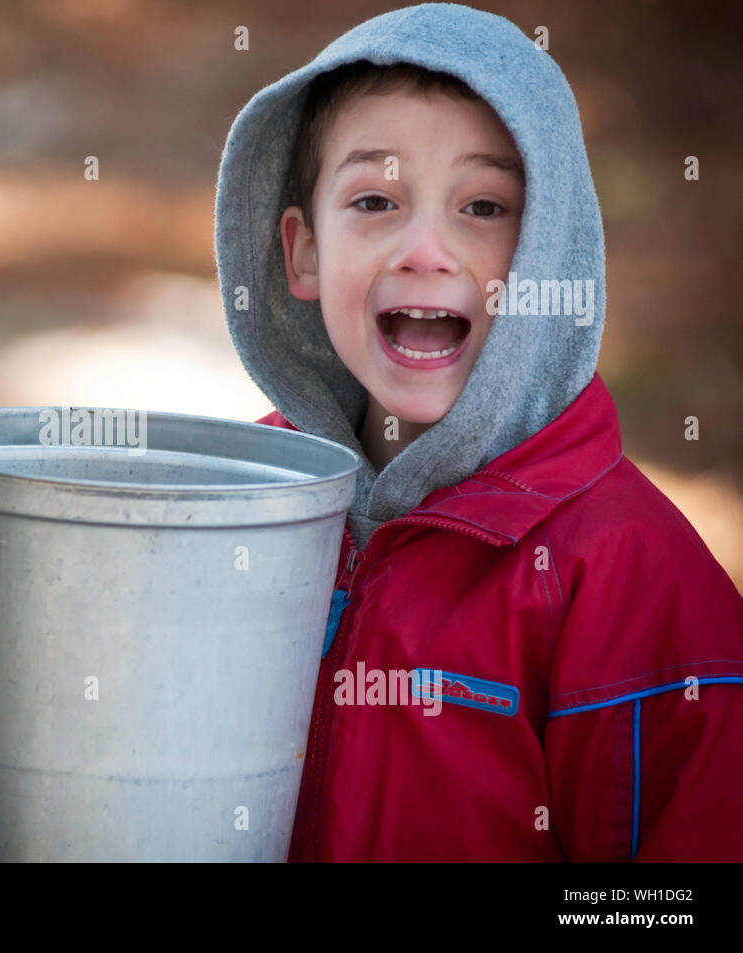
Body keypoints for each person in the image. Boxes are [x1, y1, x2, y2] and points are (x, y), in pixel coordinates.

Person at [214, 2, 743, 860]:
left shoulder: (632, 575)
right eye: (377, 199)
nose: (427, 249)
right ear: (302, 252)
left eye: (485, 207)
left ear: (551, 252)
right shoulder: (252, 506)